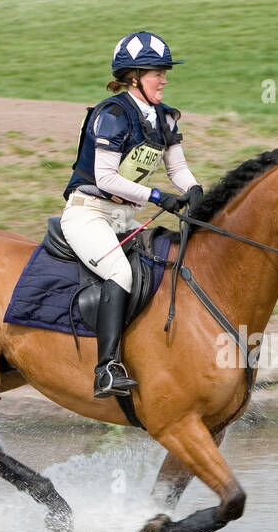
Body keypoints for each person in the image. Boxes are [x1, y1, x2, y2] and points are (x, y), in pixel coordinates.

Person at [62, 31, 203, 399]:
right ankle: (105, 369)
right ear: (134, 76)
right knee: (120, 271)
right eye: (158, 72)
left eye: (165, 72)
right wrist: (158, 197)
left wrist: (194, 191)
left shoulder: (164, 117)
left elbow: (177, 169)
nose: (165, 79)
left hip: (125, 217)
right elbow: (106, 177)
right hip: (89, 213)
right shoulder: (112, 115)